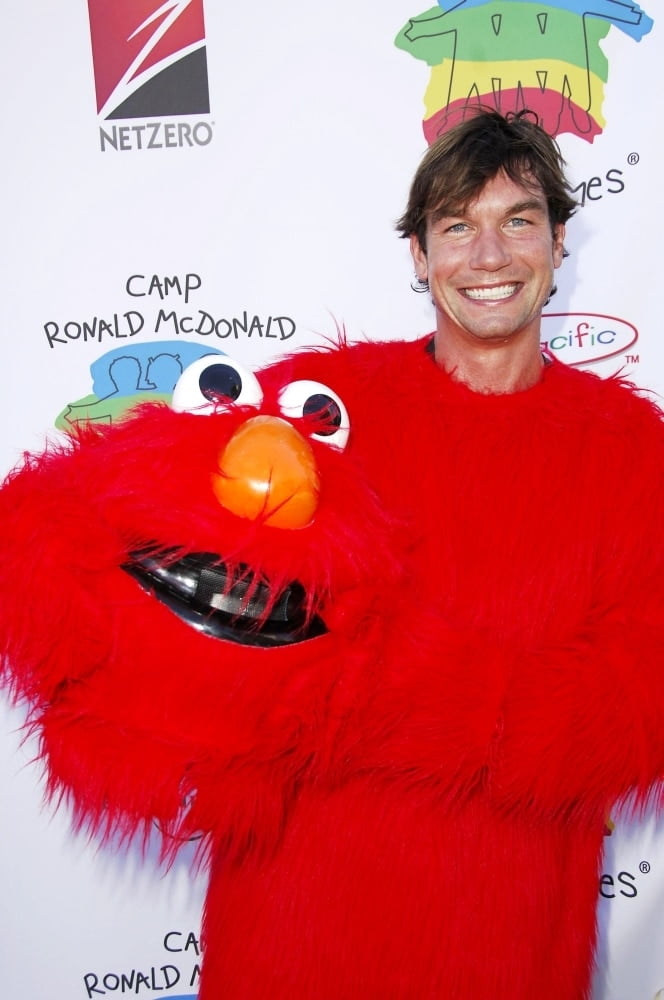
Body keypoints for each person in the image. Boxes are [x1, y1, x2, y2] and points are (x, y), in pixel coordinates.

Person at [1, 109, 663, 1000]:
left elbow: (635, 703)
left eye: (518, 220)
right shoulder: (324, 410)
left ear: (558, 242)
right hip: (293, 921)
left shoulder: (630, 448)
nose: (490, 255)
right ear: (421, 257)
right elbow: (134, 540)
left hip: (506, 932)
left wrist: (401, 686)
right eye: (457, 226)